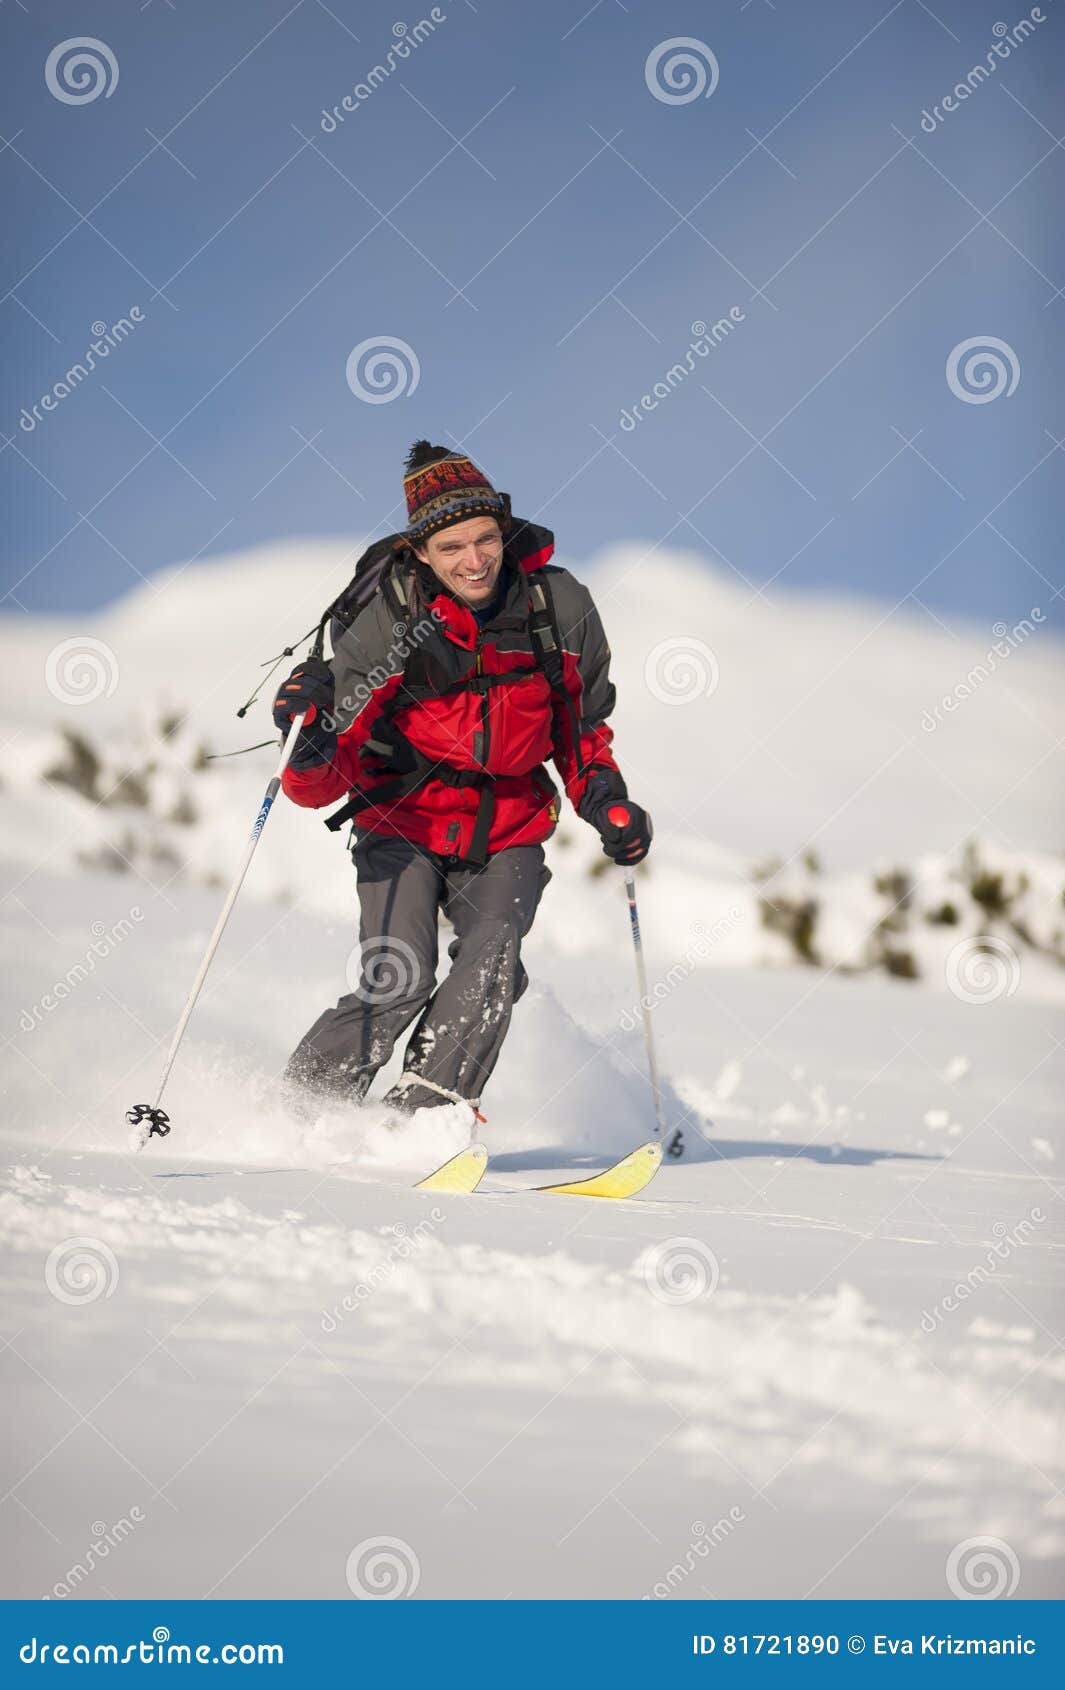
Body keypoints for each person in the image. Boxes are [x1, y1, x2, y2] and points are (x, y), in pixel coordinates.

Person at [273, 440, 652, 1126]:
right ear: (420, 552)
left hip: (507, 824)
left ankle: (423, 1118)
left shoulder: (558, 608)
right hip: (401, 820)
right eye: (451, 547)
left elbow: (580, 726)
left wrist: (607, 799)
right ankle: (299, 1111)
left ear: (503, 532)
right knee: (398, 979)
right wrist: (309, 740)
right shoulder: (387, 618)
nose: (473, 560)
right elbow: (319, 783)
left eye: (484, 539)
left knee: (492, 969)